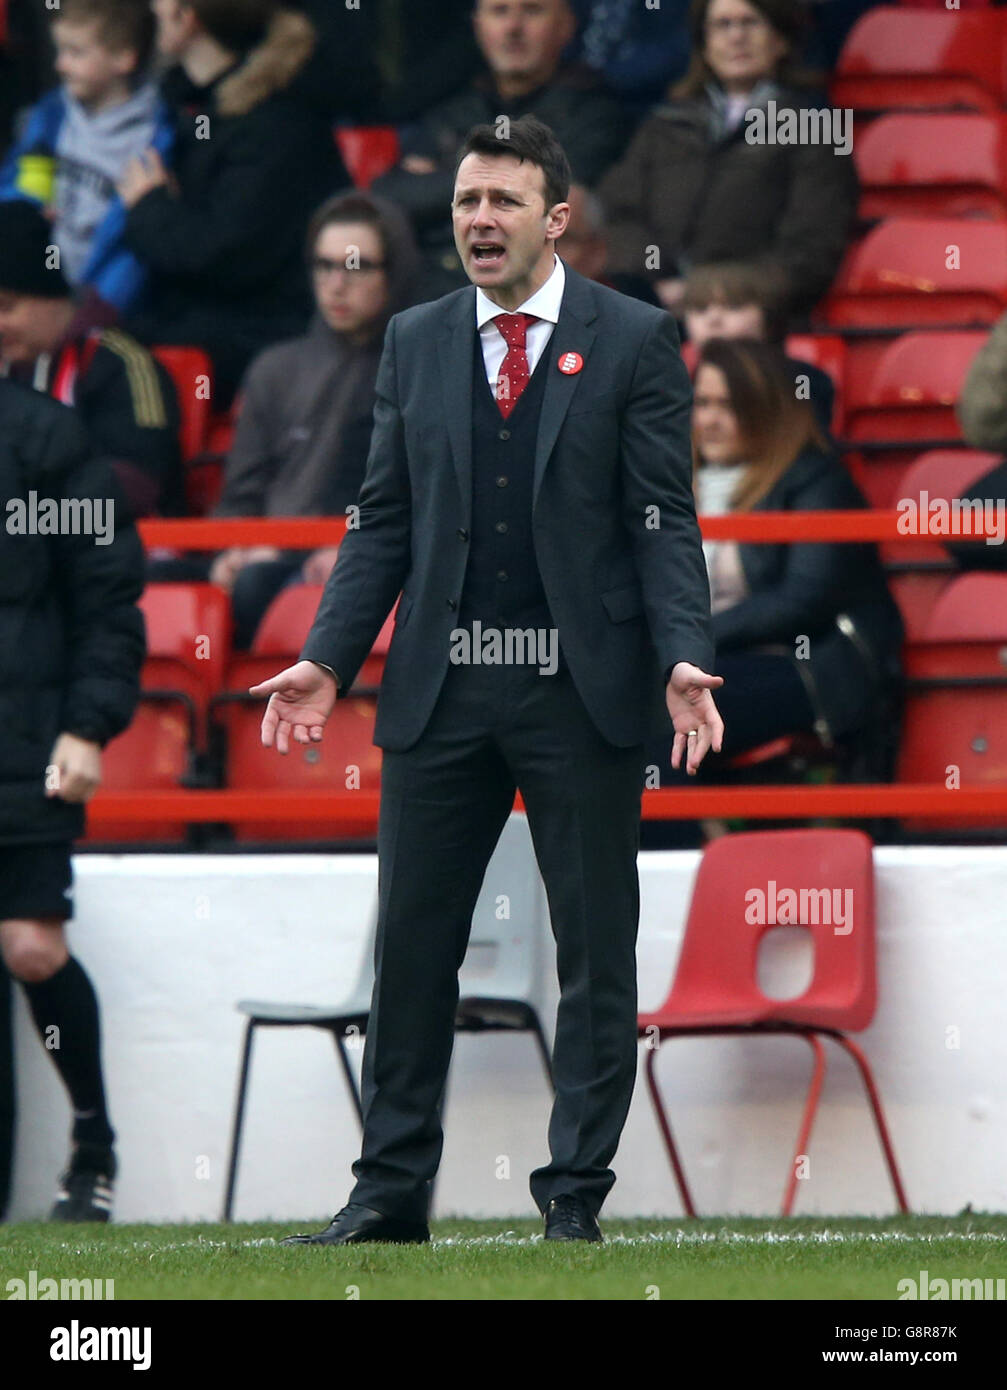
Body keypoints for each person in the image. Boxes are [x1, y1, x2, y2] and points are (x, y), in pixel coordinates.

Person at [251, 115, 723, 1246]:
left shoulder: (633, 338)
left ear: (554, 219)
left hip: (583, 685)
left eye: (502, 202)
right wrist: (327, 654)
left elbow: (659, 517)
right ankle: (389, 1193)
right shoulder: (414, 341)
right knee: (413, 945)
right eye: (465, 202)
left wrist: (681, 650)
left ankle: (571, 1198)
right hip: (440, 686)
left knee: (593, 949)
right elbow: (382, 521)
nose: (477, 220)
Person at [147, 190, 423, 648]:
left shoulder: (421, 366)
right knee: (152, 576)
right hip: (266, 553)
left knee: (258, 587)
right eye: (325, 265)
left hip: (354, 560)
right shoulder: (275, 368)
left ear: (394, 273)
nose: (337, 284)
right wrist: (232, 553)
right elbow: (241, 495)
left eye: (355, 267)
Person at [0, 377, 146, 1221]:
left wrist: (89, 727)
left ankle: (93, 1143)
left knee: (31, 949)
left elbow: (107, 597)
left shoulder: (43, 440)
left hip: (23, 744)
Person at [648, 337, 901, 800]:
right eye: (702, 402)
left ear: (768, 410)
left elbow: (801, 602)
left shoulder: (817, 480)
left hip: (807, 664)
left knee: (663, 713)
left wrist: (688, 641)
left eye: (729, 405)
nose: (709, 420)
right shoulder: (670, 480)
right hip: (706, 657)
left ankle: (672, 864)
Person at [118, 0, 351, 406]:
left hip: (262, 330)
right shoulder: (187, 103)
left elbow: (224, 254)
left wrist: (148, 207)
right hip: (205, 317)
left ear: (187, 16)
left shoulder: (278, 121)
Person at [597, 0, 858, 320]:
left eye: (750, 23)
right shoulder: (664, 126)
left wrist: (712, 294)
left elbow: (810, 249)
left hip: (756, 325)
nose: (737, 37)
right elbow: (620, 214)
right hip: (656, 310)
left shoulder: (813, 131)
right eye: (722, 25)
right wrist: (652, 285)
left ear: (781, 40)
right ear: (704, 45)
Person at [372, 0, 633, 297]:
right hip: (432, 292)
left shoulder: (596, 114)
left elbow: (553, 200)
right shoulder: (451, 109)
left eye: (532, 11)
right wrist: (507, 182)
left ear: (566, 26)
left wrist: (449, 180)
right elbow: (389, 198)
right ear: (477, 26)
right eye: (499, 11)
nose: (513, 28)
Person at [0, 199, 183, 517]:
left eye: (6, 307)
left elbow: (140, 481)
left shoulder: (123, 363)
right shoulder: (9, 366)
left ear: (51, 298)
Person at [0, 0, 173, 316]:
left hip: (104, 306)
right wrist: (27, 214)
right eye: (60, 51)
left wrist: (100, 306)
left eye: (76, 53)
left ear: (124, 58)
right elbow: (13, 183)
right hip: (37, 291)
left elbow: (133, 249)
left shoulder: (154, 139)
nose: (60, 65)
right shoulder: (51, 116)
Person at [681, 260, 835, 434]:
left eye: (733, 306)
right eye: (701, 309)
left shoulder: (803, 380)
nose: (713, 319)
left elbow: (808, 449)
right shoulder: (674, 382)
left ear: (767, 317)